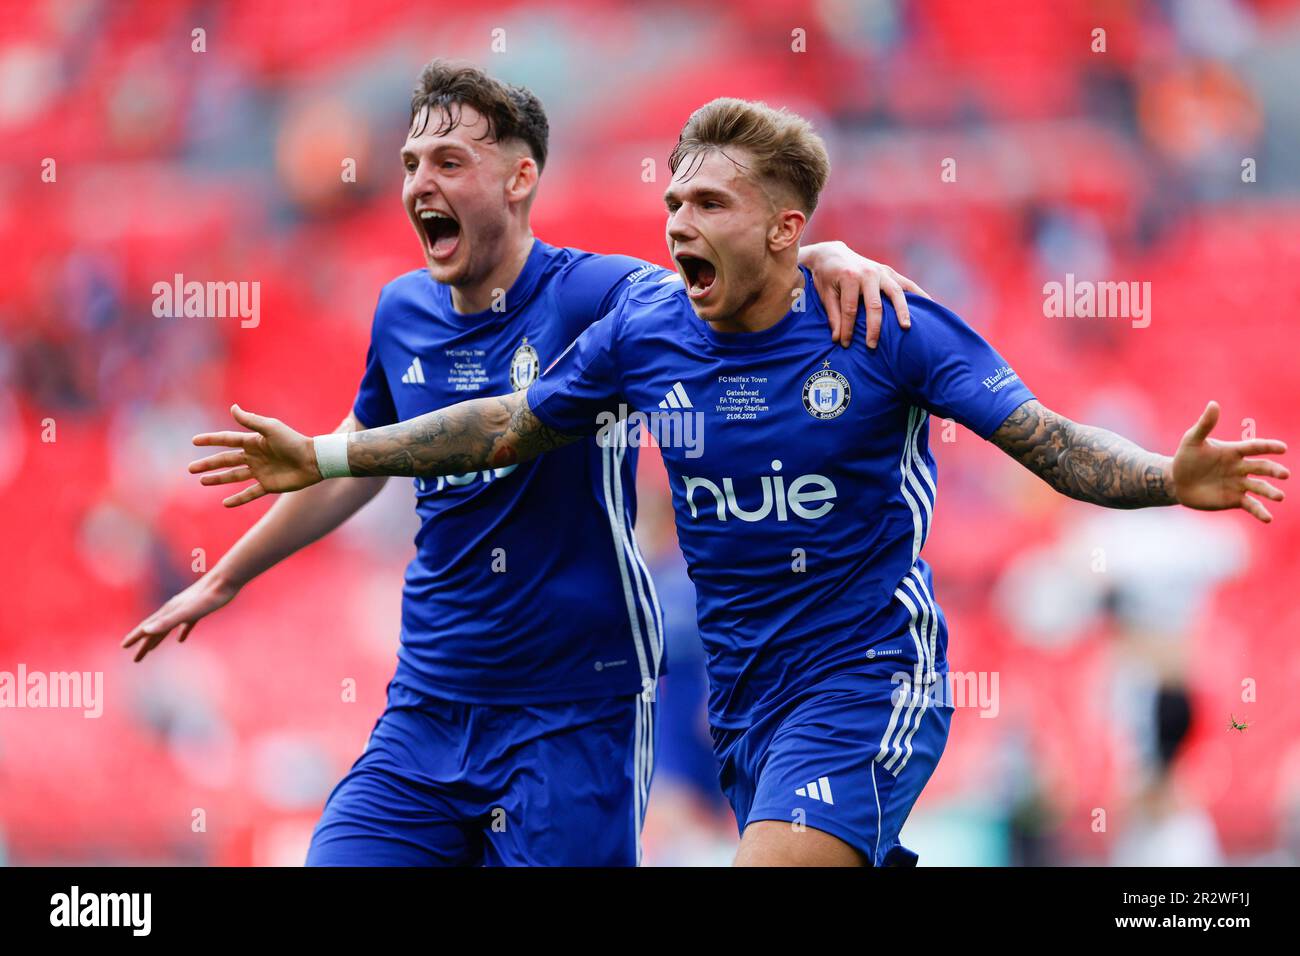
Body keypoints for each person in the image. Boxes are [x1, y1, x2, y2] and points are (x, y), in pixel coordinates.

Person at [184, 97, 1288, 866]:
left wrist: (1164, 477)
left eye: (708, 203)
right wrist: (334, 451)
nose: (675, 222)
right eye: (672, 200)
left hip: (865, 678)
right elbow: (510, 425)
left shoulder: (883, 326)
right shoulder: (647, 330)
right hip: (741, 711)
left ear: (784, 227)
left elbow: (1045, 439)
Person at [123, 65, 925, 867]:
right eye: (410, 164)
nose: (419, 183)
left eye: (447, 162)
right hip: (429, 705)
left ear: (519, 177)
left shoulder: (595, 296)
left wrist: (820, 252)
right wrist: (226, 576)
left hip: (576, 706)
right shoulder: (401, 311)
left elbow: (732, 283)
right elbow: (357, 459)